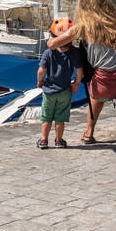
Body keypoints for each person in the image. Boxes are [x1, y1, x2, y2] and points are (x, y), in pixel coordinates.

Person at [47, 0, 116, 147]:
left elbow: (52, 44)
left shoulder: (84, 27)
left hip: (104, 87)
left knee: (96, 91)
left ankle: (89, 132)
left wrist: (69, 46)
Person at [37, 18, 82, 149]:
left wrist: (40, 80)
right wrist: (76, 83)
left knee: (46, 117)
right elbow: (80, 70)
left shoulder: (48, 52)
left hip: (49, 91)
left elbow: (41, 70)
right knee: (60, 118)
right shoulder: (74, 53)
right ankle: (59, 140)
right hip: (65, 91)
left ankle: (44, 140)